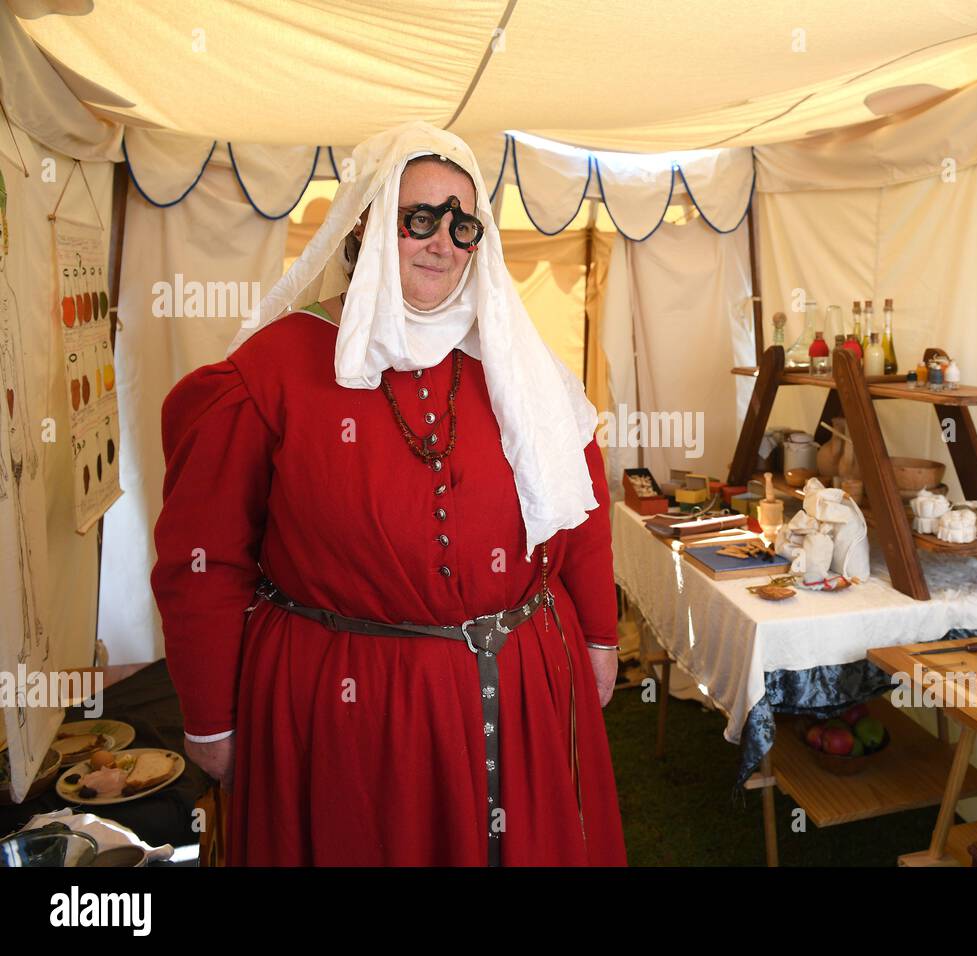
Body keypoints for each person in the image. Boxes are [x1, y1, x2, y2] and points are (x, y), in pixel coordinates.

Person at [151, 122, 626, 865]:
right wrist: (212, 718)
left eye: (463, 223)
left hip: (527, 680)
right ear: (368, 226)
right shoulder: (271, 370)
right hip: (352, 709)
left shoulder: (522, 364)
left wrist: (600, 637)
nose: (444, 240)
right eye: (420, 218)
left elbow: (583, 511)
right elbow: (203, 558)